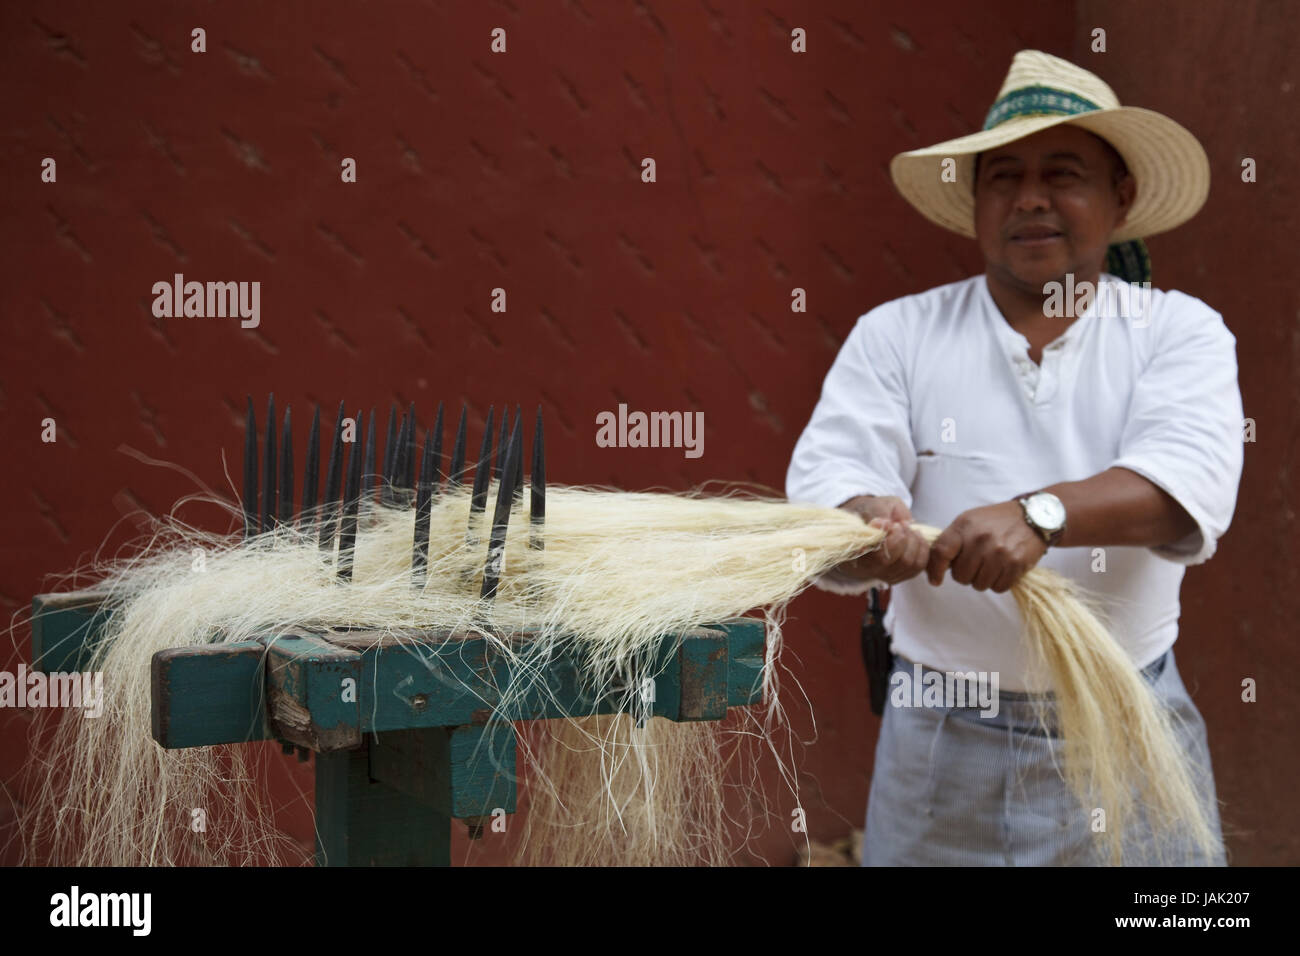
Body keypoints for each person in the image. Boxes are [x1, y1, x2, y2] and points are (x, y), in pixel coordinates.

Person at [785, 50, 1242, 865]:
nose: (1030, 198)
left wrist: (1041, 517)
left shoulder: (1179, 331)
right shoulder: (899, 335)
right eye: (1003, 178)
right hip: (938, 735)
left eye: (1063, 173)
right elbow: (833, 484)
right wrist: (868, 531)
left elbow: (1185, 486)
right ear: (975, 205)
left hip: (1126, 723)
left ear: (1120, 197)